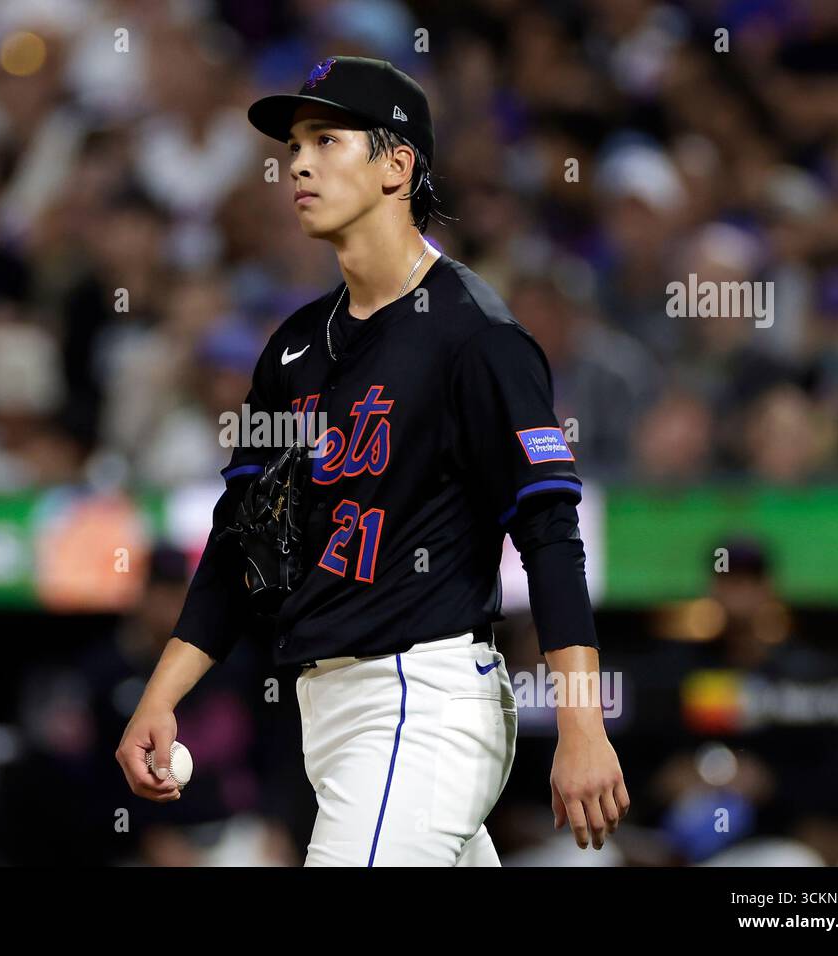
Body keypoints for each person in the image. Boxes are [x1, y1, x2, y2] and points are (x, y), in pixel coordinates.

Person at [117, 56, 629, 866]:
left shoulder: (476, 335)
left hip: (419, 701)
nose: (299, 163)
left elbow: (550, 535)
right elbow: (238, 540)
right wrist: (163, 694)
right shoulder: (291, 350)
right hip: (335, 716)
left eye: (327, 138)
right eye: (294, 146)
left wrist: (581, 726)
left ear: (397, 166)